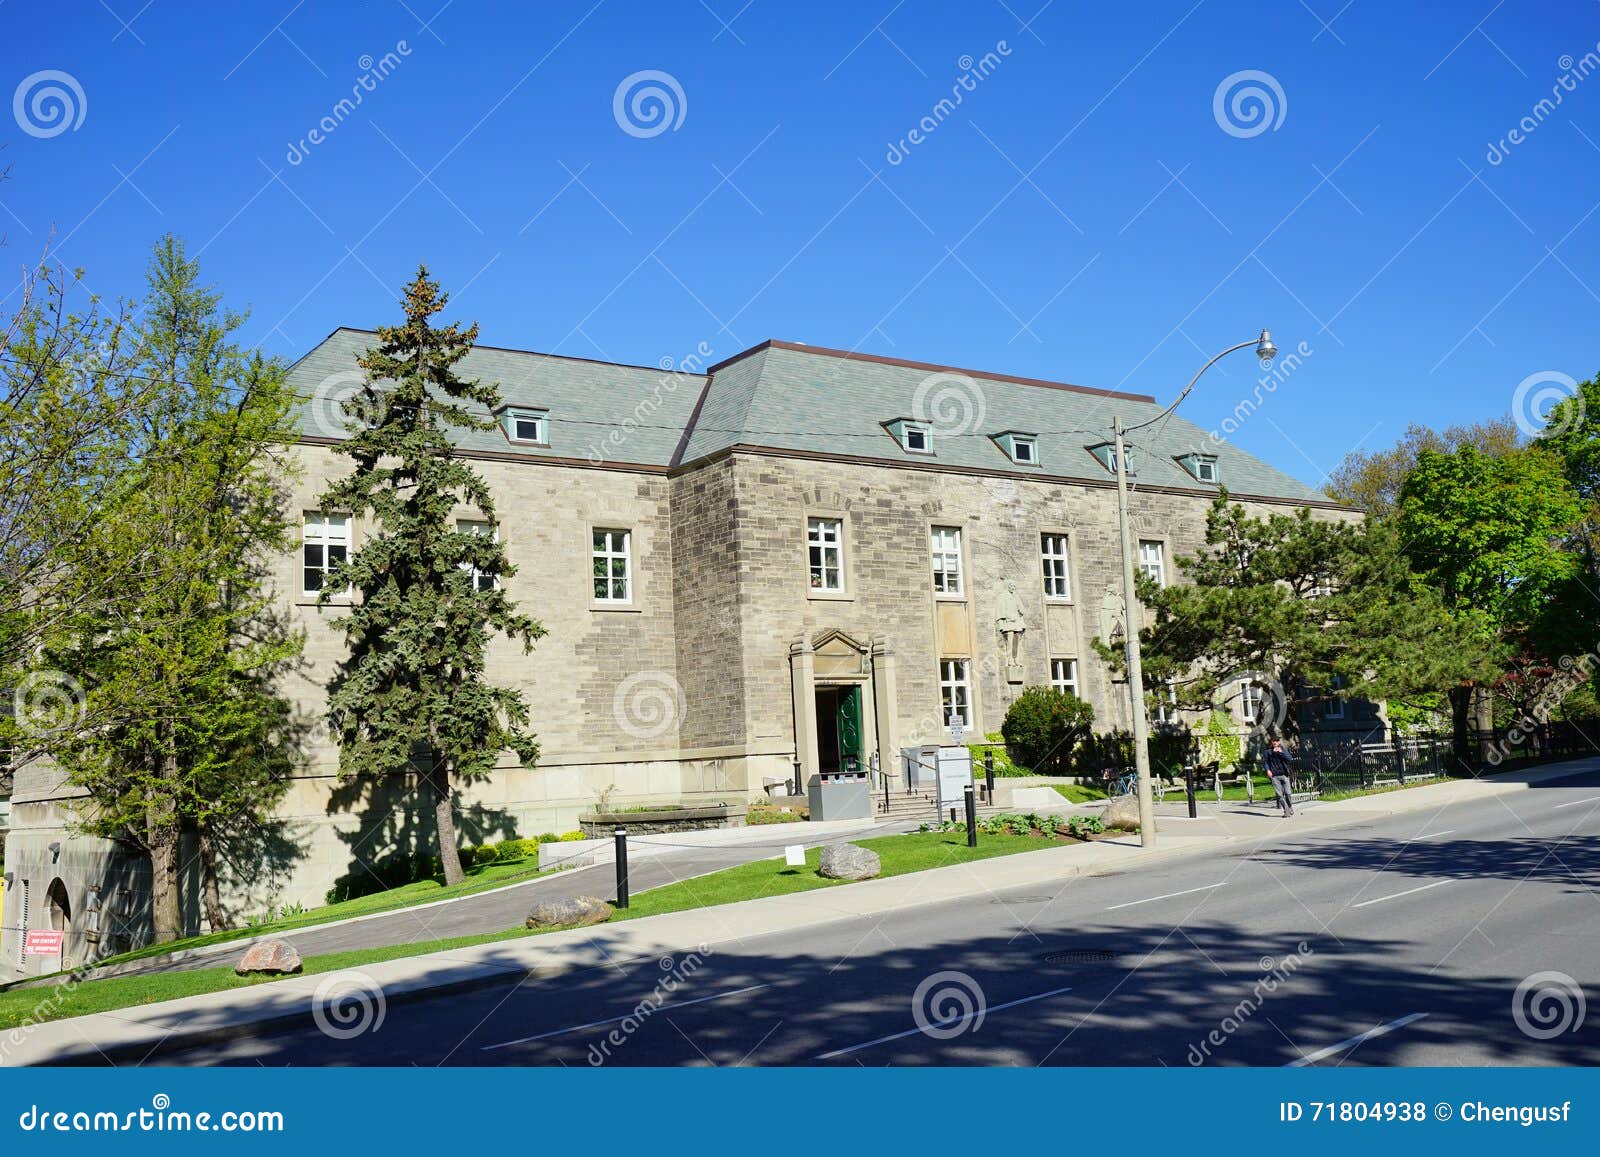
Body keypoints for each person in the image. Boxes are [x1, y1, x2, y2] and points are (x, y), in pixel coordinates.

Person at [1264, 736, 1296, 817]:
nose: (1275, 742)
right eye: (1273, 740)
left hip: (1284, 775)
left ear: (1278, 742)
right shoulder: (1268, 752)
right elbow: (1266, 762)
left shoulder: (1283, 750)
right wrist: (1268, 770)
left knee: (1288, 793)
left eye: (1276, 741)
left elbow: (1290, 759)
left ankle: (1290, 807)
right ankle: (1286, 811)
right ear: (1271, 742)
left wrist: (1281, 752)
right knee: (1279, 795)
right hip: (1274, 776)